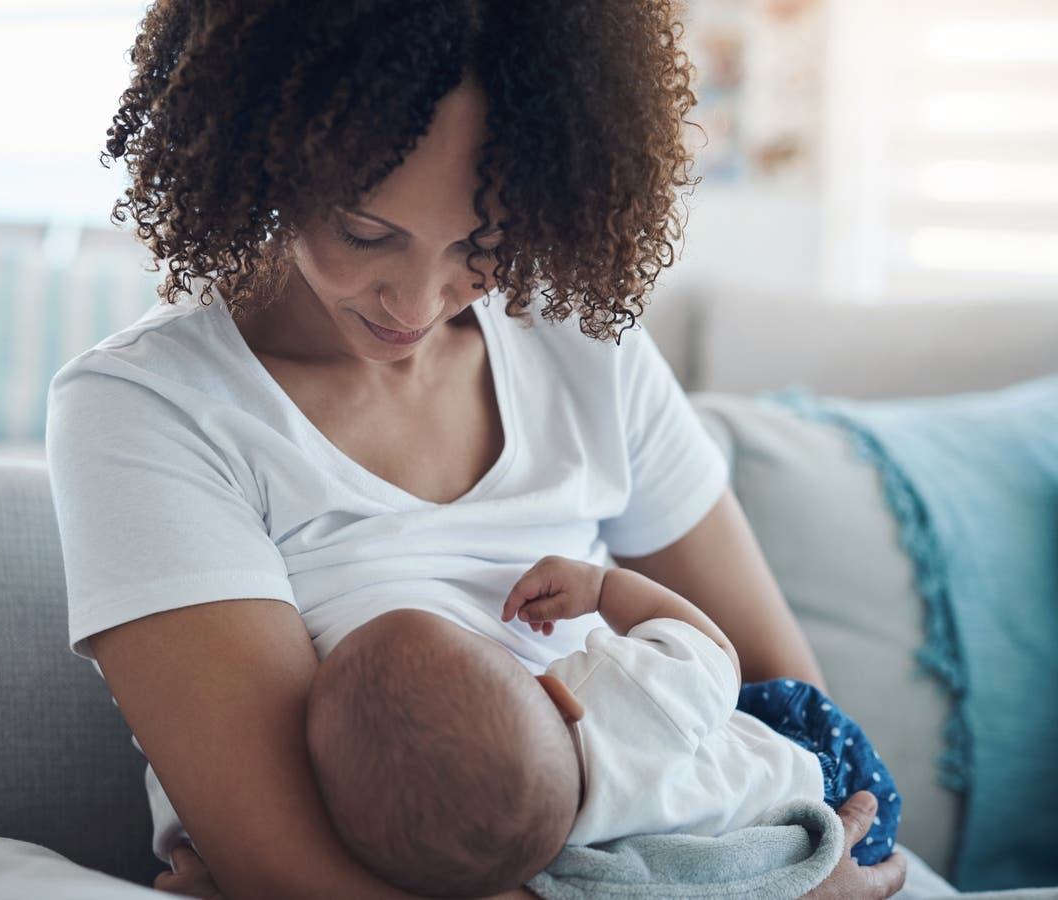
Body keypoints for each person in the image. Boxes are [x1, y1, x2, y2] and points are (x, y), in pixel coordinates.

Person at [45, 2, 911, 898]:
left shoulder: (581, 345)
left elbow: (791, 708)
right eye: (365, 232)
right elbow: (293, 871)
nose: (416, 304)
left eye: (481, 244)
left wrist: (782, 868)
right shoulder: (147, 408)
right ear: (260, 145)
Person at [304, 556, 901, 898]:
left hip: (780, 853)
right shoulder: (619, 691)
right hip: (825, 778)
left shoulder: (549, 863)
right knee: (761, 702)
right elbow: (716, 653)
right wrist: (605, 588)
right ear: (556, 693)